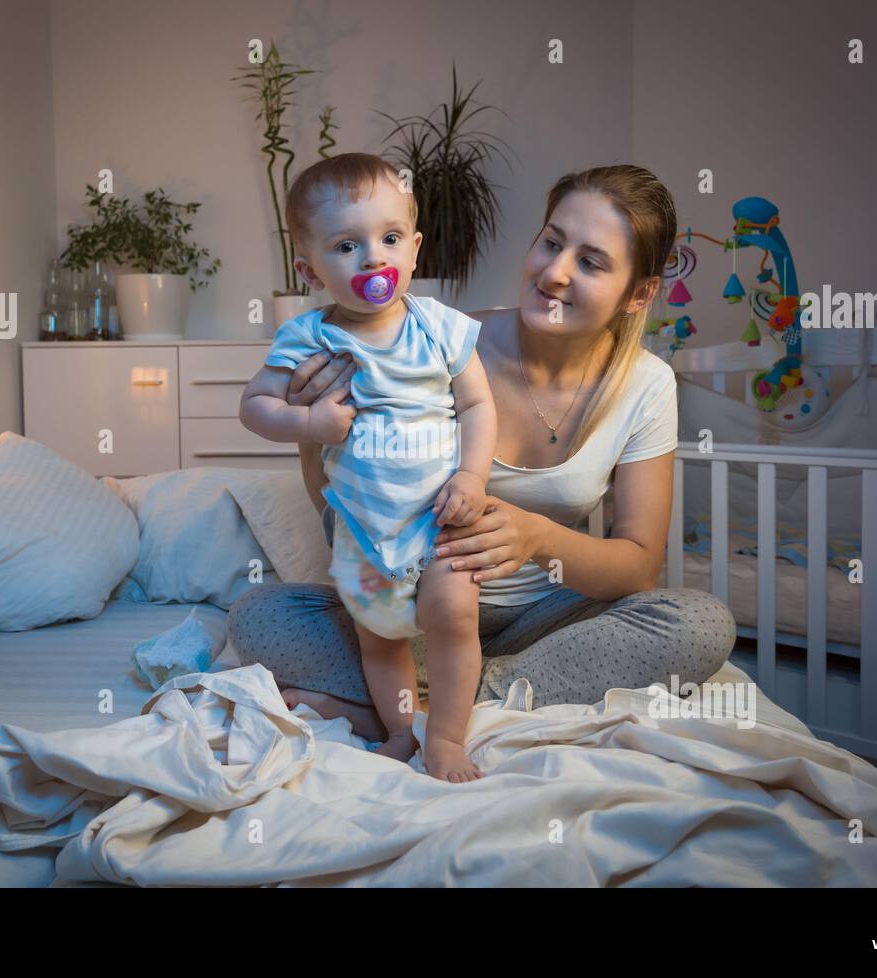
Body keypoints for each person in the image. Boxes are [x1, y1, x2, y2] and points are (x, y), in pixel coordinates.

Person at [229, 162, 737, 760]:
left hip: (543, 618)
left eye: (591, 262)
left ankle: (438, 706)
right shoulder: (432, 342)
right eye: (551, 242)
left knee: (699, 623)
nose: (554, 272)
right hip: (415, 601)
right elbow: (345, 500)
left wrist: (535, 537)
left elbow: (636, 570)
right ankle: (447, 699)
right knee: (258, 615)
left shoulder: (646, 386)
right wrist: (310, 428)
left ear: (640, 293)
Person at [239, 153, 497, 782]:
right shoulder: (309, 338)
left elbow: (478, 403)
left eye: (387, 240)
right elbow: (254, 406)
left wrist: (471, 479)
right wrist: (309, 424)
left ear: (414, 248)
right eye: (347, 245)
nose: (373, 258)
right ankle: (401, 731)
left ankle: (446, 739)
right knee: (379, 640)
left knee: (455, 617)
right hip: (362, 530)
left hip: (441, 520)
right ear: (310, 270)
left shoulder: (439, 328)